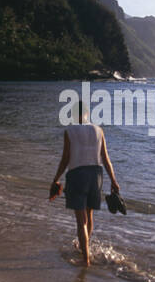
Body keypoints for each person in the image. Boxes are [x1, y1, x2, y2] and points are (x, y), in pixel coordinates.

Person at [51, 101, 119, 266]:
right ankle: (84, 248)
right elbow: (106, 158)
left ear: (74, 115)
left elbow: (65, 159)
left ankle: (85, 259)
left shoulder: (70, 131)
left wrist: (56, 179)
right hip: (96, 175)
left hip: (77, 175)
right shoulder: (99, 130)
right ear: (88, 114)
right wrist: (114, 181)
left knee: (81, 220)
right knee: (89, 216)